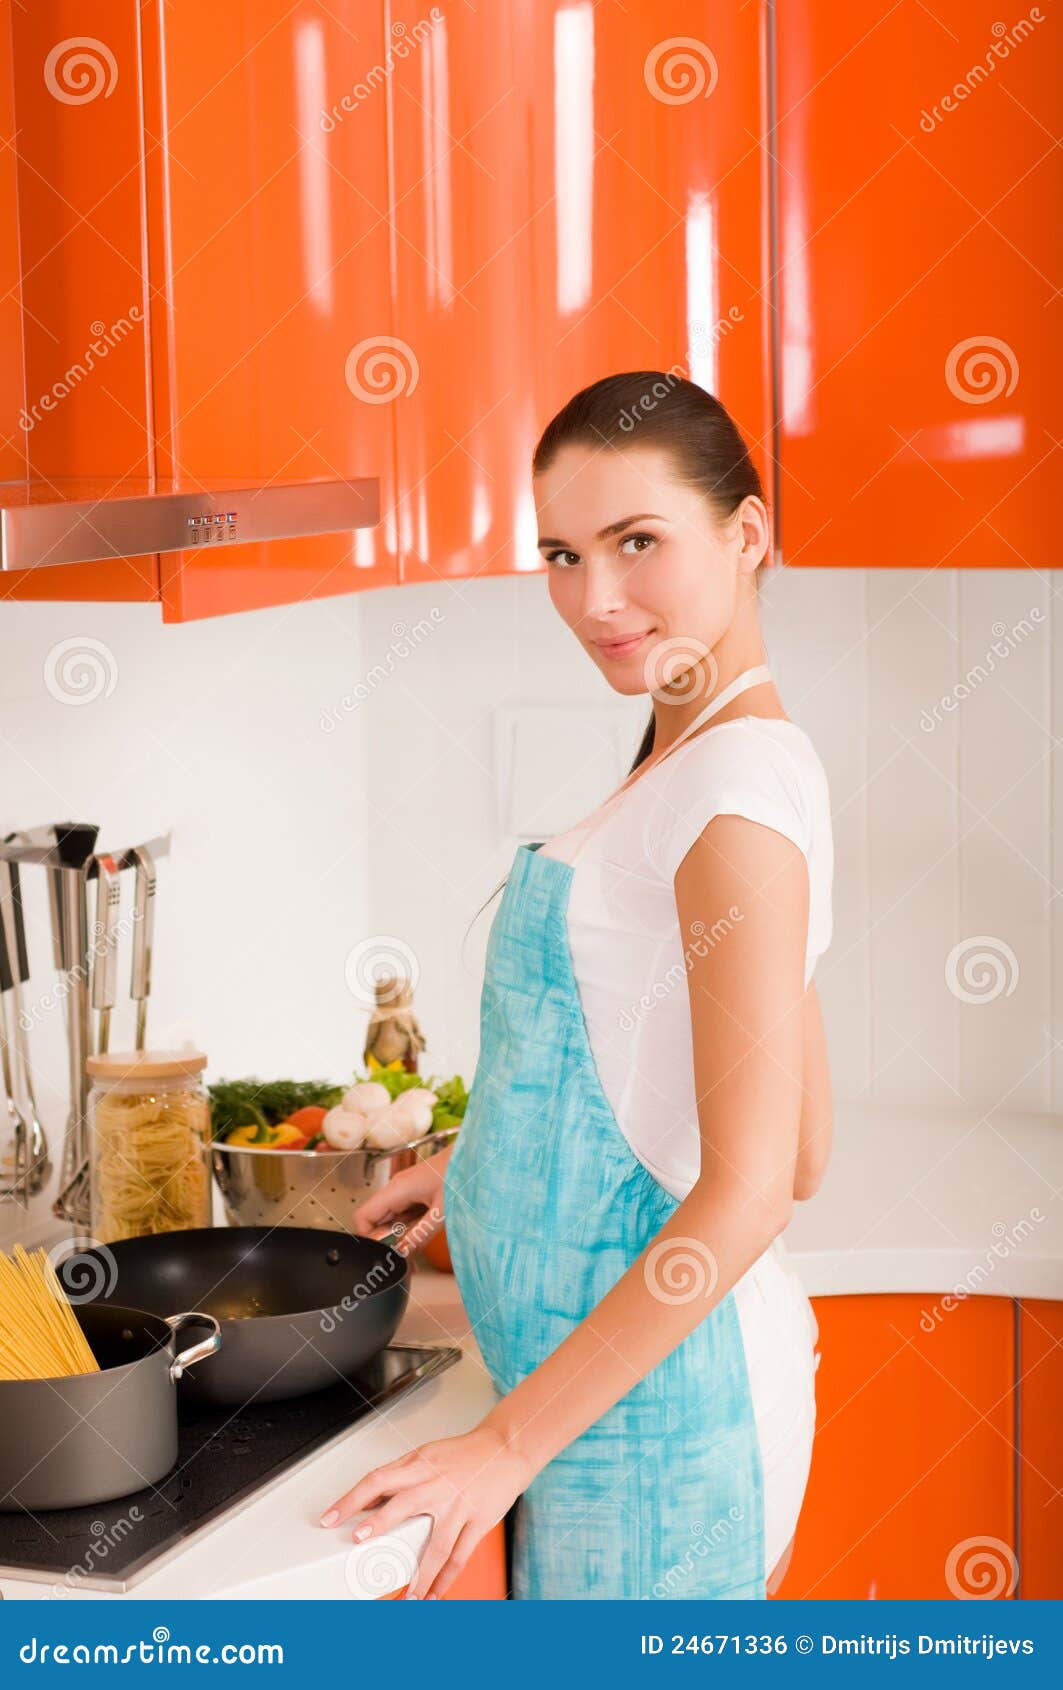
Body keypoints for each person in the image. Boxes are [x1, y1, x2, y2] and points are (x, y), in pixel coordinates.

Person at [321, 372, 834, 1601]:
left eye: (636, 542)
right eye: (561, 553)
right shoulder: (698, 757)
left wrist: (501, 1446)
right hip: (601, 1413)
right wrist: (501, 1155)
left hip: (660, 1444)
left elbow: (759, 1190)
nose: (592, 599)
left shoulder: (734, 803)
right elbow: (798, 1139)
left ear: (747, 535)